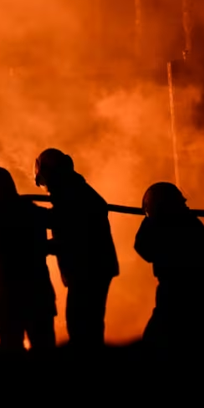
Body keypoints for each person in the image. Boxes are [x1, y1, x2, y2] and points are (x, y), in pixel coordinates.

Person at [34, 148, 119, 347]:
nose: (46, 187)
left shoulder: (74, 196)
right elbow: (61, 221)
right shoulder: (75, 192)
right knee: (87, 325)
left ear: (51, 174)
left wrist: (41, 243)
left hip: (88, 270)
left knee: (81, 326)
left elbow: (72, 233)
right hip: (92, 269)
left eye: (44, 180)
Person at [0, 165, 57, 352]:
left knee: (12, 356)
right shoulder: (33, 211)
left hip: (7, 301)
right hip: (39, 295)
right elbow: (63, 223)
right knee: (45, 353)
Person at [133, 182, 204, 345]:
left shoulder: (181, 224)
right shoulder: (188, 220)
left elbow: (143, 248)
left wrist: (149, 220)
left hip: (182, 293)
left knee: (158, 341)